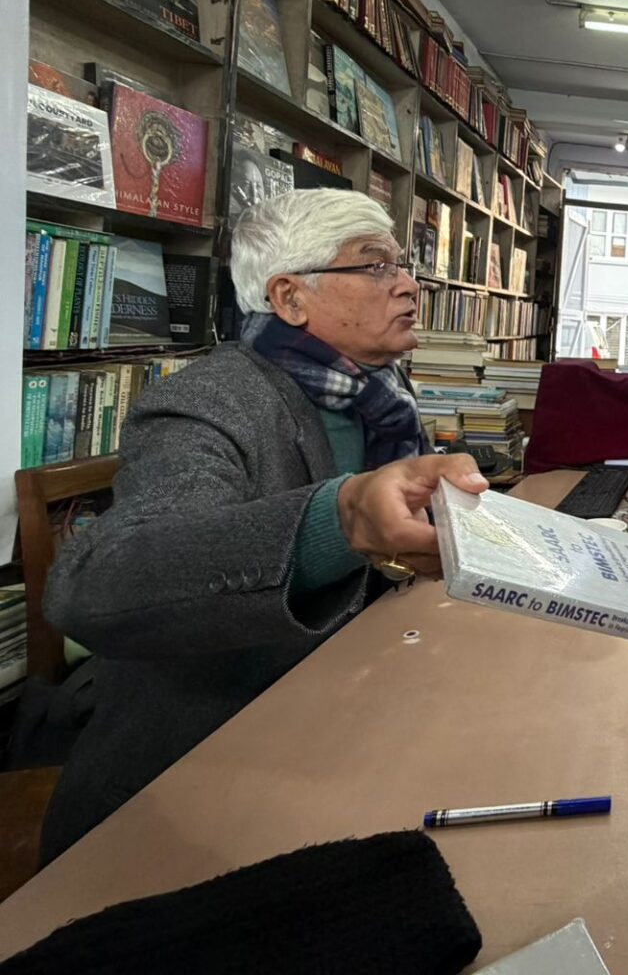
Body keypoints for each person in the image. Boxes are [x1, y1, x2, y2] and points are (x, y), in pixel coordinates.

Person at [40, 189, 488, 861]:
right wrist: (340, 520)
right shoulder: (208, 401)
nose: (407, 285)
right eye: (376, 266)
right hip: (205, 774)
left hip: (354, 714)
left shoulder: (382, 398)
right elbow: (102, 582)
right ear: (290, 298)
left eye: (403, 266)